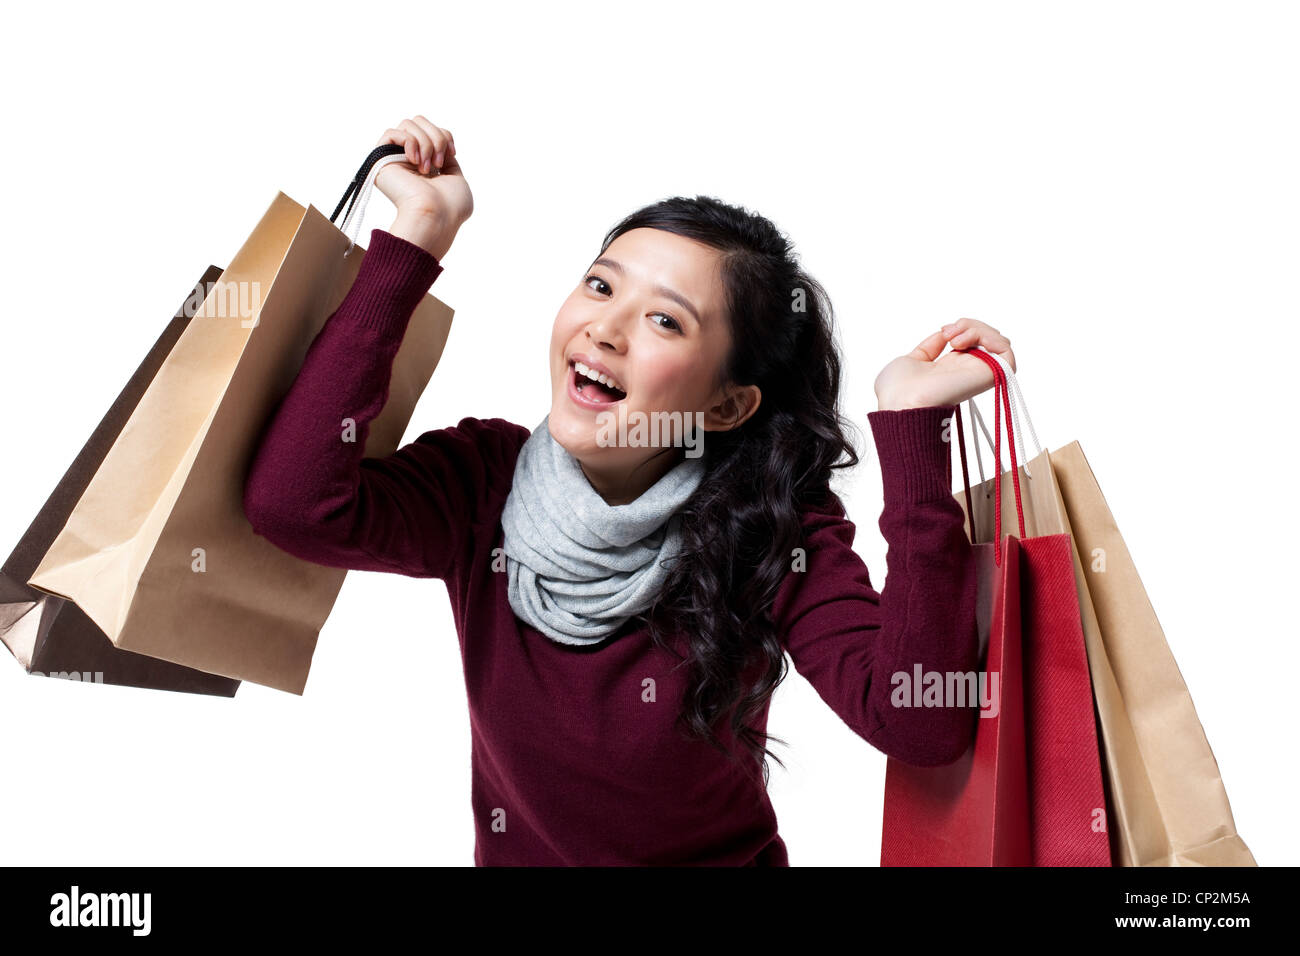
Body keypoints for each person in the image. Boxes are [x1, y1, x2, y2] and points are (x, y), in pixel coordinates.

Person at [243, 115, 1018, 866]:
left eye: (665, 322)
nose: (605, 329)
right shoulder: (484, 483)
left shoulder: (774, 527)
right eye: (599, 285)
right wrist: (416, 239)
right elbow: (294, 505)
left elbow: (918, 722)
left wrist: (914, 430)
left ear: (726, 404)